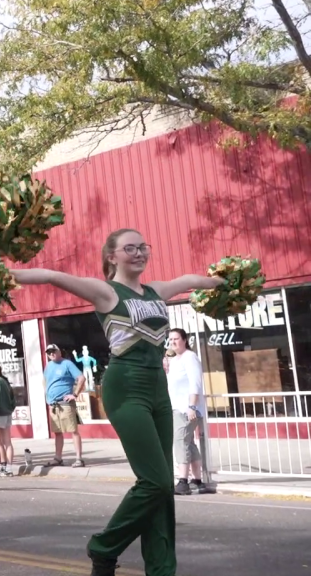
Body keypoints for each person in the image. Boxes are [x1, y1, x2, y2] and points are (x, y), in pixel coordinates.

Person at [12, 228, 223, 576]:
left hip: (157, 385)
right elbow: (53, 275)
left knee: (162, 487)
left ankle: (162, 568)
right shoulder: (106, 292)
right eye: (130, 248)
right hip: (125, 385)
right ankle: (104, 546)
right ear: (112, 256)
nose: (139, 253)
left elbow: (188, 280)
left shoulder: (157, 291)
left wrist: (221, 281)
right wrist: (5, 275)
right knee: (154, 481)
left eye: (143, 246)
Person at [166, 329, 207, 496]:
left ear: (184, 340)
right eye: (170, 339)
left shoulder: (190, 357)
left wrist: (192, 406)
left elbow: (195, 383)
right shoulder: (174, 360)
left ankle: (183, 481)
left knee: (180, 441)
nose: (173, 342)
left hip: (187, 408)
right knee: (188, 442)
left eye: (176, 339)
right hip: (177, 407)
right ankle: (197, 480)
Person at [43, 344, 86, 467]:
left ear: (59, 351)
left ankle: (79, 458)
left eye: (53, 351)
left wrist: (75, 394)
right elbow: (45, 381)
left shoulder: (67, 364)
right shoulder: (48, 366)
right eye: (49, 352)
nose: (51, 354)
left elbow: (81, 378)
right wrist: (47, 397)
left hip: (66, 404)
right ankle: (58, 458)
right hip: (53, 404)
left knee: (73, 430)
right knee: (57, 432)